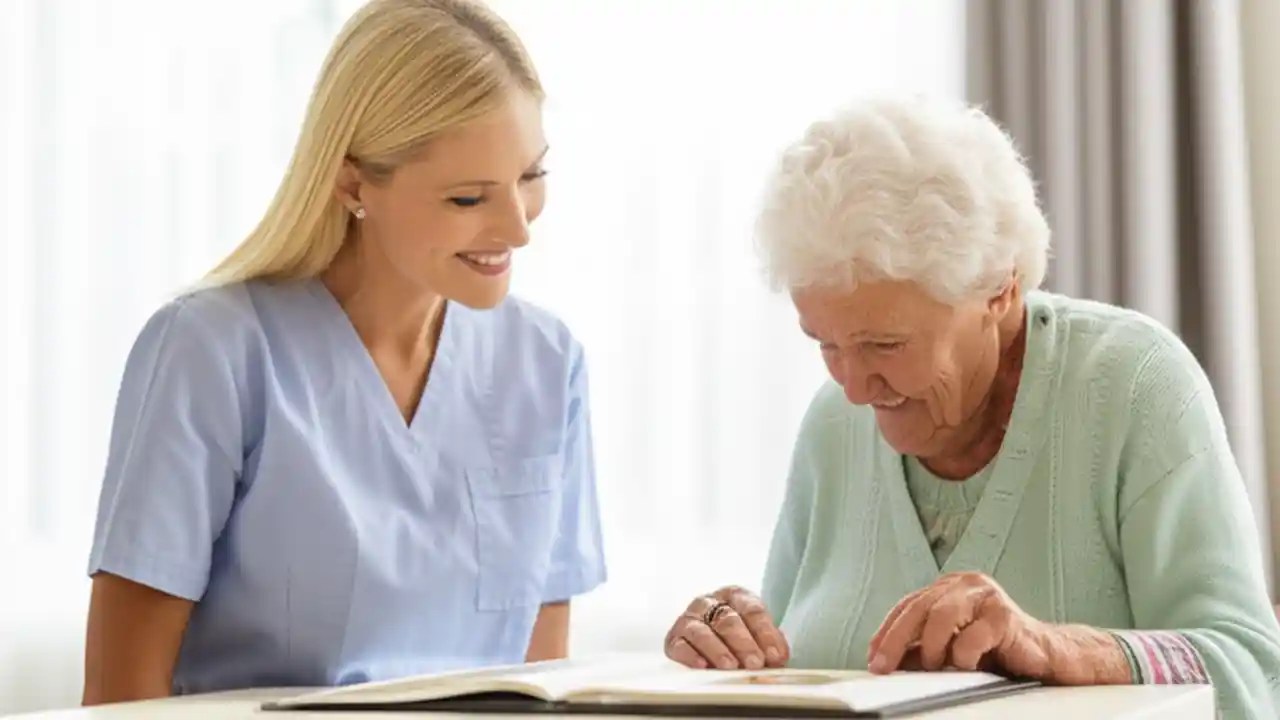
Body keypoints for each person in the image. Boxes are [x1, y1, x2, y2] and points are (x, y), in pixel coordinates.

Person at [662, 96, 1280, 718]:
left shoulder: (1134, 387)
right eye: (825, 343)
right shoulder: (832, 424)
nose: (853, 387)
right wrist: (730, 652)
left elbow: (1248, 667)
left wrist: (1058, 649)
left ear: (999, 288)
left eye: (885, 344)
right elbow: (791, 681)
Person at [82, 0, 606, 704]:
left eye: (531, 177)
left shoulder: (546, 363)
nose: (517, 228)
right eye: (467, 198)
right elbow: (123, 701)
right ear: (354, 183)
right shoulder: (215, 351)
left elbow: (538, 683)